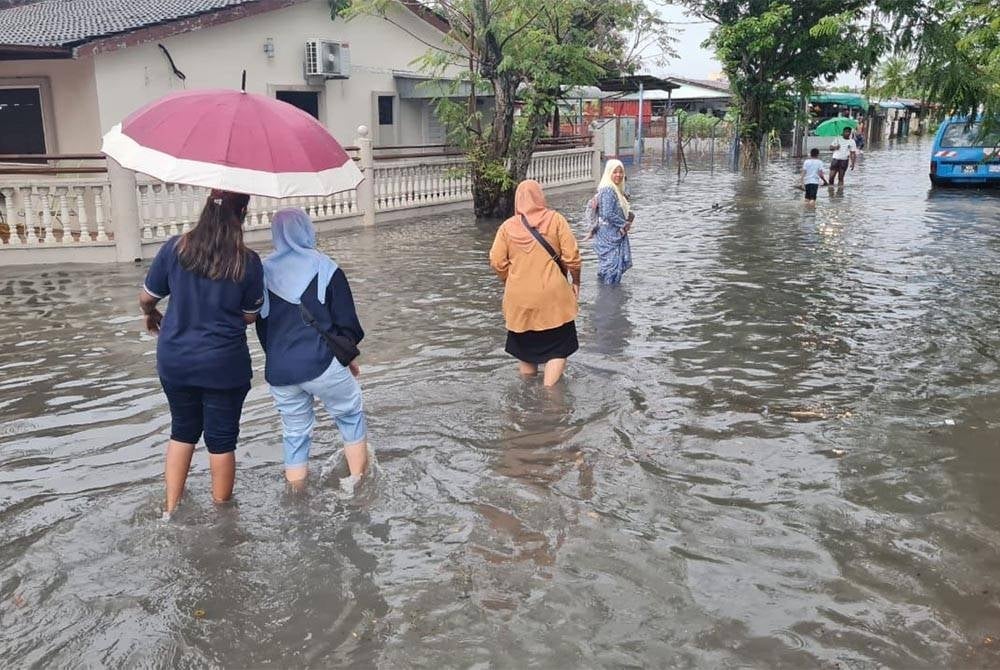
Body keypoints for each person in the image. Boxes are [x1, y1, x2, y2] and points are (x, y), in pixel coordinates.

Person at [139, 190, 264, 518]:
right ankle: (223, 518)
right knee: (221, 441)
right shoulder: (247, 261)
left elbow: (147, 297)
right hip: (224, 363)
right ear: (242, 214)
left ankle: (170, 509)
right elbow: (251, 315)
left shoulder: (175, 248)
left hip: (176, 359)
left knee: (182, 430)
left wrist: (151, 314)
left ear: (207, 209)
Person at [255, 208, 368, 492]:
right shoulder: (325, 267)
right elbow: (346, 323)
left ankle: (296, 496)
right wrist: (348, 357)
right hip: (322, 364)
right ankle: (357, 486)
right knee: (350, 416)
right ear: (307, 230)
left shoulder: (262, 273)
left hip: (280, 371)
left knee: (294, 434)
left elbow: (262, 327)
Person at [489, 180, 582, 387]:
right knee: (558, 348)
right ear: (541, 196)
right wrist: (576, 281)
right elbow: (572, 257)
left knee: (526, 351)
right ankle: (550, 397)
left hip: (519, 301)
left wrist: (512, 280)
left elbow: (496, 261)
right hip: (553, 299)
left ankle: (527, 400)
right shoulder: (556, 220)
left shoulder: (507, 227)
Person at [590, 159, 634, 284]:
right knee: (611, 269)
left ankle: (607, 296)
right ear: (609, 173)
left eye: (621, 172)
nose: (618, 175)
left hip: (611, 233)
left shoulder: (615, 189)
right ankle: (609, 298)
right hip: (609, 235)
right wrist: (624, 224)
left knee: (609, 268)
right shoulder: (609, 189)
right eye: (615, 172)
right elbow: (607, 213)